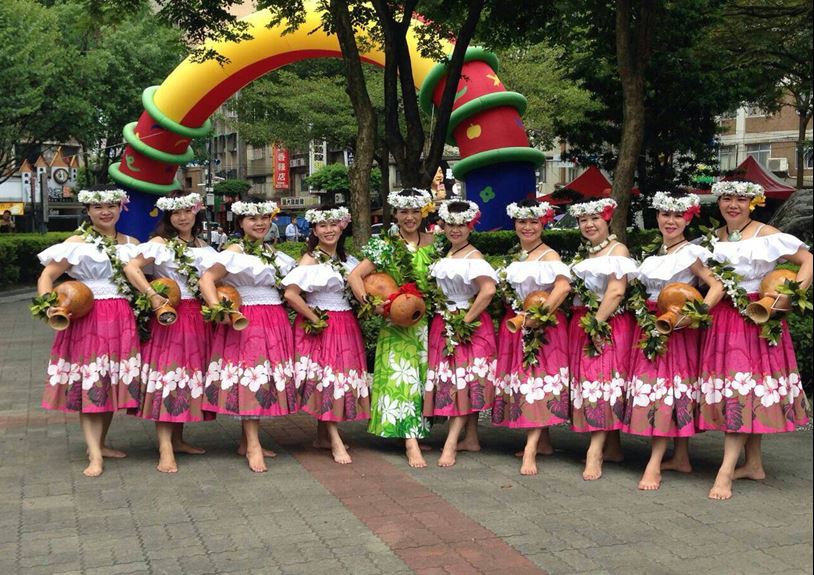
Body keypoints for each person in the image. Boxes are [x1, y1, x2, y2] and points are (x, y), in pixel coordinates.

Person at [698, 181, 811, 500]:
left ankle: (724, 472)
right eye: (727, 199)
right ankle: (754, 464)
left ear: (753, 202)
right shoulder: (710, 238)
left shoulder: (767, 235)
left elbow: (809, 261)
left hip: (756, 318)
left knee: (742, 392)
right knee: (741, 390)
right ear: (719, 202)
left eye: (741, 199)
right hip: (723, 319)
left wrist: (787, 299)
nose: (733, 204)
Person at [35, 186, 141, 477]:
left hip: (121, 318)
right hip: (88, 316)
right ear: (89, 211)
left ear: (121, 208)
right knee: (90, 383)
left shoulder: (132, 243)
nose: (105, 211)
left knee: (108, 383)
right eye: (98, 207)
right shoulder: (77, 242)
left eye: (111, 206)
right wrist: (49, 305)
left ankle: (101, 444)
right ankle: (94, 454)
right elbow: (47, 275)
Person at [623, 192, 724, 490]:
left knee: (666, 390)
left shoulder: (690, 254)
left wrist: (697, 314)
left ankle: (654, 463)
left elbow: (717, 285)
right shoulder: (655, 256)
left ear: (689, 218)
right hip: (651, 326)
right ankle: (681, 457)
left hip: (677, 329)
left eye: (678, 216)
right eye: (665, 215)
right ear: (657, 217)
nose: (671, 221)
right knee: (666, 390)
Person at [199, 200, 297, 473]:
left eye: (264, 217)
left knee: (263, 378)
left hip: (274, 319)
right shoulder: (234, 251)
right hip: (247, 320)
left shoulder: (271, 252)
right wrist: (218, 309)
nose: (260, 223)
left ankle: (246, 441)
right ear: (240, 223)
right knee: (250, 378)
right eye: (252, 218)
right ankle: (253, 445)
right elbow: (206, 279)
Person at [123, 191, 215, 473]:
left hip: (198, 318)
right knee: (169, 378)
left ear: (196, 213)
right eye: (176, 213)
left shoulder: (203, 245)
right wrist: (152, 296)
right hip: (170, 316)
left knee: (187, 379)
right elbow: (131, 267)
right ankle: (164, 447)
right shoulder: (160, 244)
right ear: (168, 216)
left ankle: (178, 439)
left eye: (188, 211)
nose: (183, 217)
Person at [348, 188, 439, 468]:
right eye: (403, 212)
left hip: (424, 323)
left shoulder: (436, 242)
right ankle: (411, 443)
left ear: (423, 212)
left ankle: (412, 430)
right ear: (396, 214)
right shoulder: (385, 243)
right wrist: (373, 306)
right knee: (403, 380)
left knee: (420, 380)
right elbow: (355, 276)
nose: (409, 217)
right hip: (396, 324)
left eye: (414, 211)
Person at [283, 206, 370, 464]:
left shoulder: (349, 261)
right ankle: (334, 440)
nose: (329, 230)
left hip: (346, 324)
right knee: (327, 379)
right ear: (314, 229)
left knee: (337, 378)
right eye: (322, 225)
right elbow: (290, 294)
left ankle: (323, 436)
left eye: (333, 224)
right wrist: (314, 318)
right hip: (322, 325)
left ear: (342, 225)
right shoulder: (310, 260)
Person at [492, 199, 572, 476]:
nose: (527, 227)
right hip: (518, 326)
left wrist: (541, 316)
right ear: (514, 224)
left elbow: (563, 287)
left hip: (542, 329)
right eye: (522, 222)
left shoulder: (549, 256)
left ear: (543, 223)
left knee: (535, 383)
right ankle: (544, 443)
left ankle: (530, 449)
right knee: (526, 381)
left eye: (533, 222)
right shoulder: (519, 256)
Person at [423, 200, 498, 468]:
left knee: (460, 383)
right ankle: (472, 438)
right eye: (451, 225)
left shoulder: (473, 257)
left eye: (462, 225)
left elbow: (488, 290)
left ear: (471, 226)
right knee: (460, 381)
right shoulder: (448, 254)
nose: (456, 230)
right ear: (443, 225)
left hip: (466, 324)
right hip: (445, 322)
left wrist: (465, 320)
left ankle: (451, 444)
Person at [568, 198, 637, 481]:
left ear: (607, 219)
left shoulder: (617, 249)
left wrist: (595, 325)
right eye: (584, 220)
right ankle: (613, 447)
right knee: (597, 382)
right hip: (585, 320)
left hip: (607, 323)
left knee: (601, 383)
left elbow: (616, 291)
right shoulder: (588, 253)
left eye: (595, 218)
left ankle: (594, 453)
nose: (589, 224)